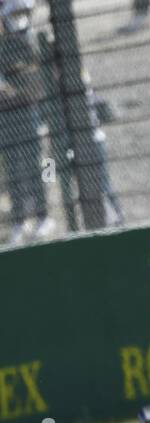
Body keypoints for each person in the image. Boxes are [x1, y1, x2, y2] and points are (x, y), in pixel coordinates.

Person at [0, 0, 51, 245]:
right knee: (13, 165)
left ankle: (43, 215)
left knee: (36, 162)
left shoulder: (30, 37)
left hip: (28, 108)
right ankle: (20, 220)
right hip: (6, 112)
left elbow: (35, 75)